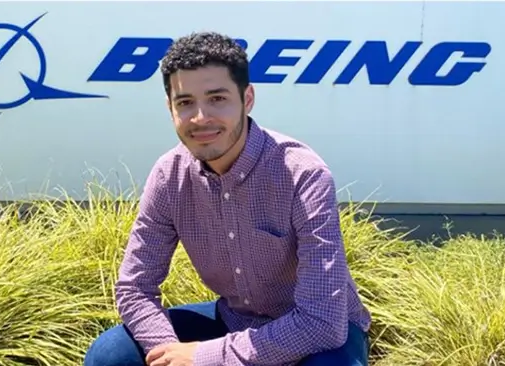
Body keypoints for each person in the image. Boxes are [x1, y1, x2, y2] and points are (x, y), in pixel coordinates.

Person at [84, 31, 372, 366]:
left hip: (320, 333)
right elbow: (134, 289)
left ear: (247, 98)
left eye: (217, 99)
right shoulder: (169, 176)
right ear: (170, 107)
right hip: (236, 319)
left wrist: (206, 357)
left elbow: (321, 323)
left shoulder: (302, 174)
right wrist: (170, 355)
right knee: (110, 355)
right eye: (185, 102)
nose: (200, 117)